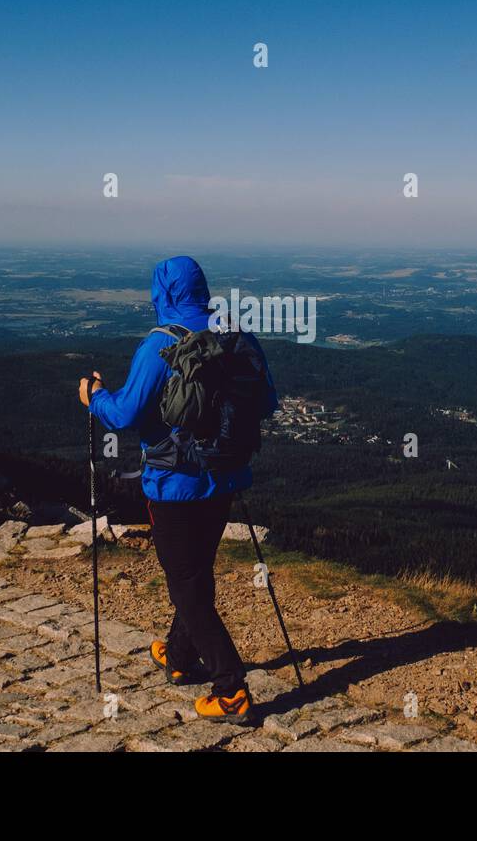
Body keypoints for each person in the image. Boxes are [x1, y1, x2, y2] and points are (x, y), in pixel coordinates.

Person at [78, 256, 278, 722]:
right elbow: (266, 403)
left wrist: (94, 398)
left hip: (174, 485)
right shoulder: (237, 336)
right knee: (195, 572)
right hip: (226, 477)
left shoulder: (160, 344)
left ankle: (231, 689)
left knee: (185, 583)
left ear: (160, 295)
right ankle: (179, 656)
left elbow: (125, 415)